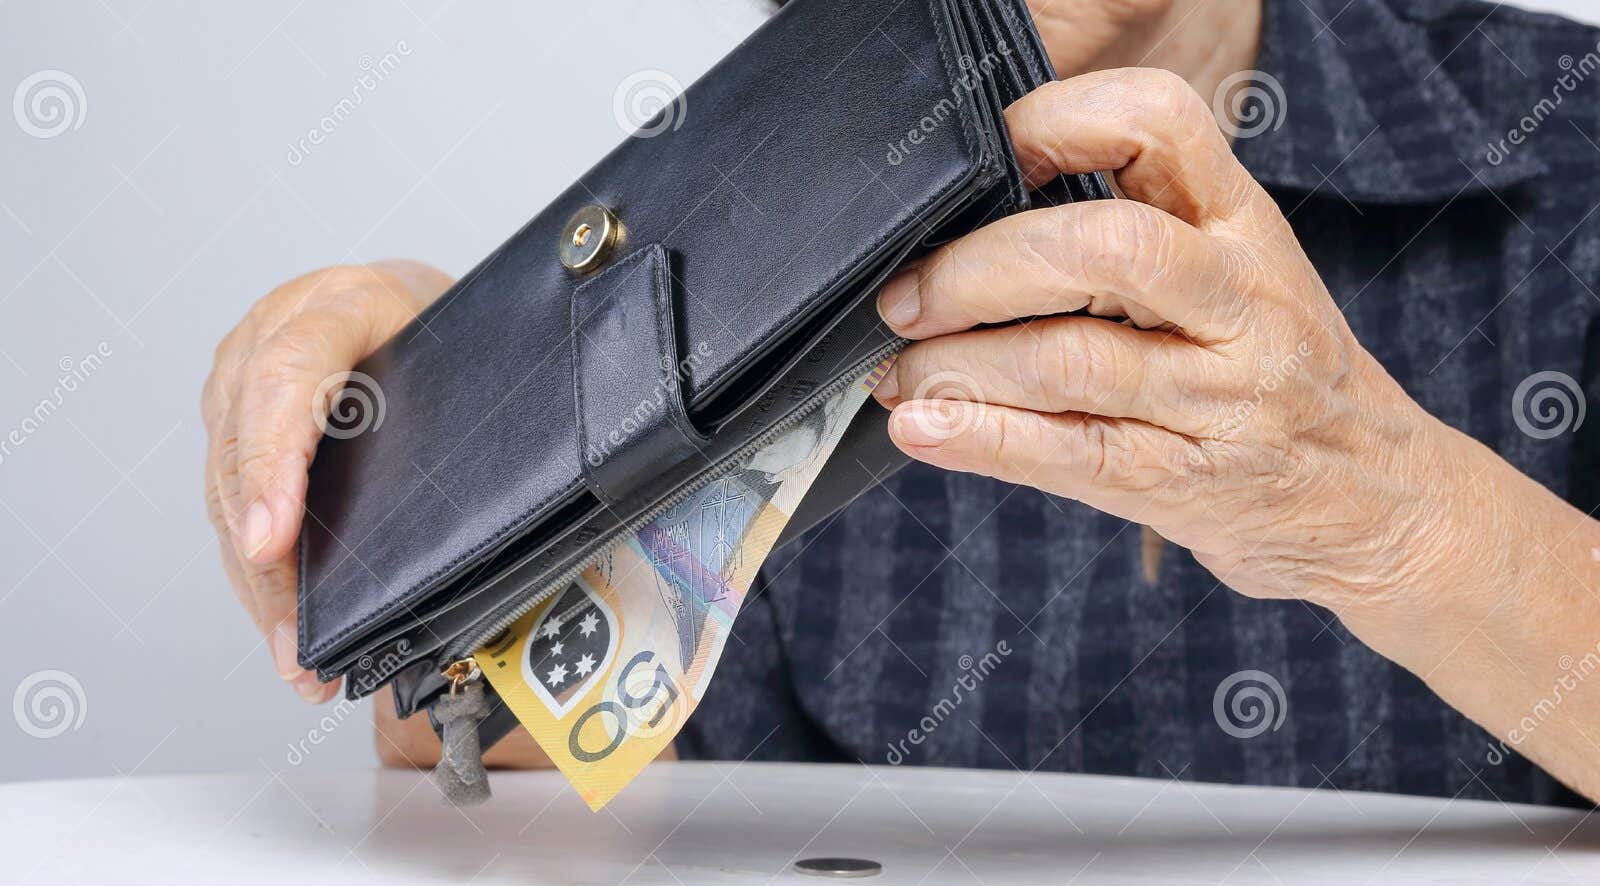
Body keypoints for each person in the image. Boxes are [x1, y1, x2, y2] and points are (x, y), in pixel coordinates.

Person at [202, 0, 1600, 806]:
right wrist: (449, 436)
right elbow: (472, 752)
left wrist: (1396, 519)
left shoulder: (1569, 135)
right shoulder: (753, 245)